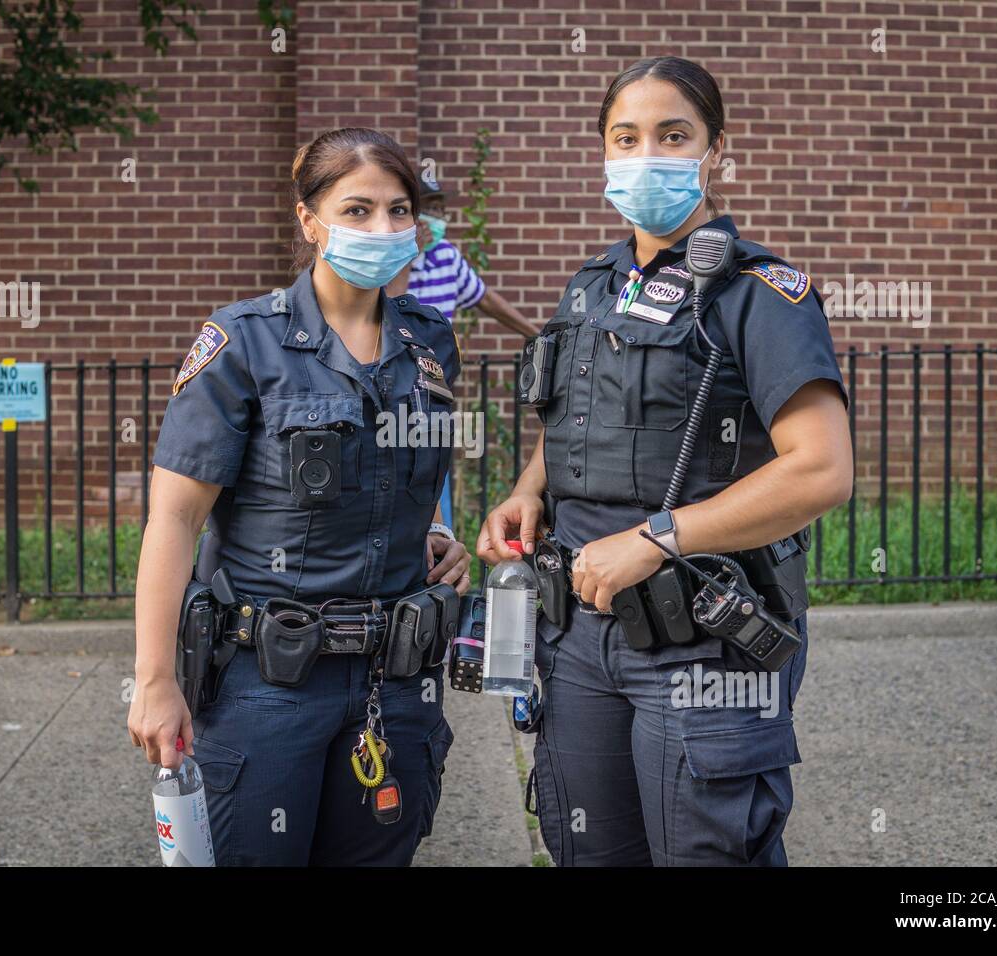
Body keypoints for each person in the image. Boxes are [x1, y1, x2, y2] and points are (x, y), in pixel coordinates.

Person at [476, 56, 853, 866]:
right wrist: (527, 489)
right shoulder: (592, 286)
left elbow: (821, 469)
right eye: (627, 136)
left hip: (706, 636)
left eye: (672, 134)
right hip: (576, 632)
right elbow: (581, 416)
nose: (647, 153)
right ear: (603, 153)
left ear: (716, 149)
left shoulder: (761, 292)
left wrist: (657, 538)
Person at [128, 127, 472, 866]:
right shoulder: (244, 342)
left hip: (396, 680)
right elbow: (175, 519)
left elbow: (410, 476)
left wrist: (433, 535)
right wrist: (156, 681)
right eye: (357, 210)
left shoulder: (430, 341)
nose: (382, 228)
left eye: (398, 209)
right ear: (310, 221)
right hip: (269, 685)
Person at [386, 174, 537, 530]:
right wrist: (407, 254)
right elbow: (387, 307)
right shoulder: (390, 261)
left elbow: (483, 298)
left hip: (435, 388)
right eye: (429, 208)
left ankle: (440, 545)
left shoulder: (447, 257)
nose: (438, 217)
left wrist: (534, 333)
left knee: (433, 468)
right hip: (395, 387)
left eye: (441, 207)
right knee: (397, 465)